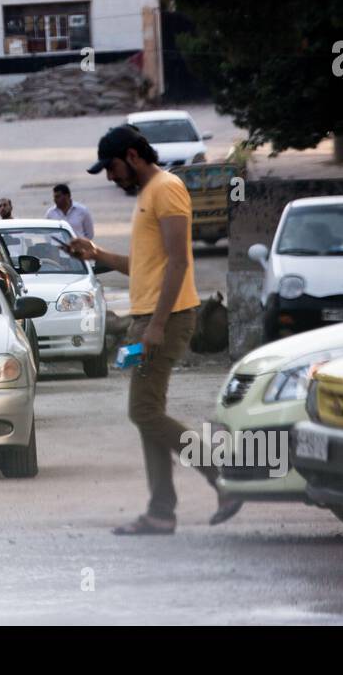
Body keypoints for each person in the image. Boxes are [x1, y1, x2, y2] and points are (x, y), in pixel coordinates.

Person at [67, 125, 240, 534]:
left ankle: (221, 478)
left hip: (168, 317)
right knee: (149, 414)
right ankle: (161, 511)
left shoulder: (166, 188)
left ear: (131, 156)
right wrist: (96, 254)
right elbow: (142, 266)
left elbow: (179, 261)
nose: (110, 177)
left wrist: (157, 325)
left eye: (110, 168)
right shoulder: (148, 194)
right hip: (151, 318)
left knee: (143, 411)